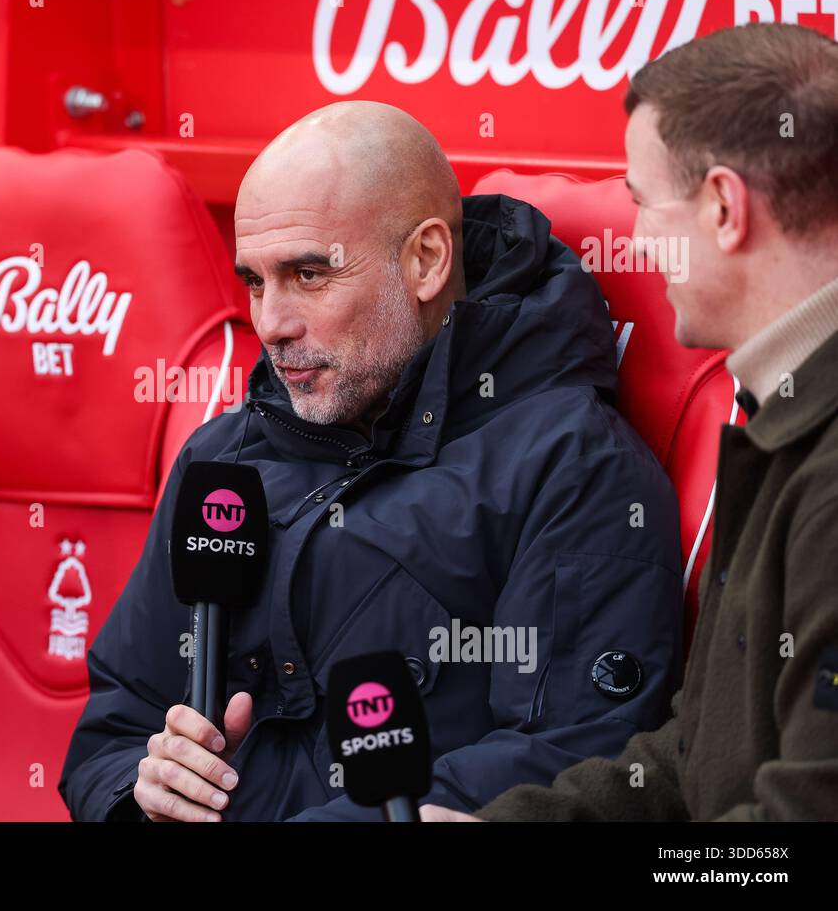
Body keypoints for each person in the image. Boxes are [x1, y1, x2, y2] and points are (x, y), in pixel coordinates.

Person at [59, 101, 683, 821]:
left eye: (309, 275)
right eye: (256, 282)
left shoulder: (576, 468)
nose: (271, 324)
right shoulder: (225, 456)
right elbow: (111, 727)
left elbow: (567, 760)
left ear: (424, 261)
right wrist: (143, 784)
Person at [425, 22, 838, 822]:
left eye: (644, 204)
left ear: (724, 207)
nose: (639, 243)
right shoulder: (781, 405)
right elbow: (700, 753)